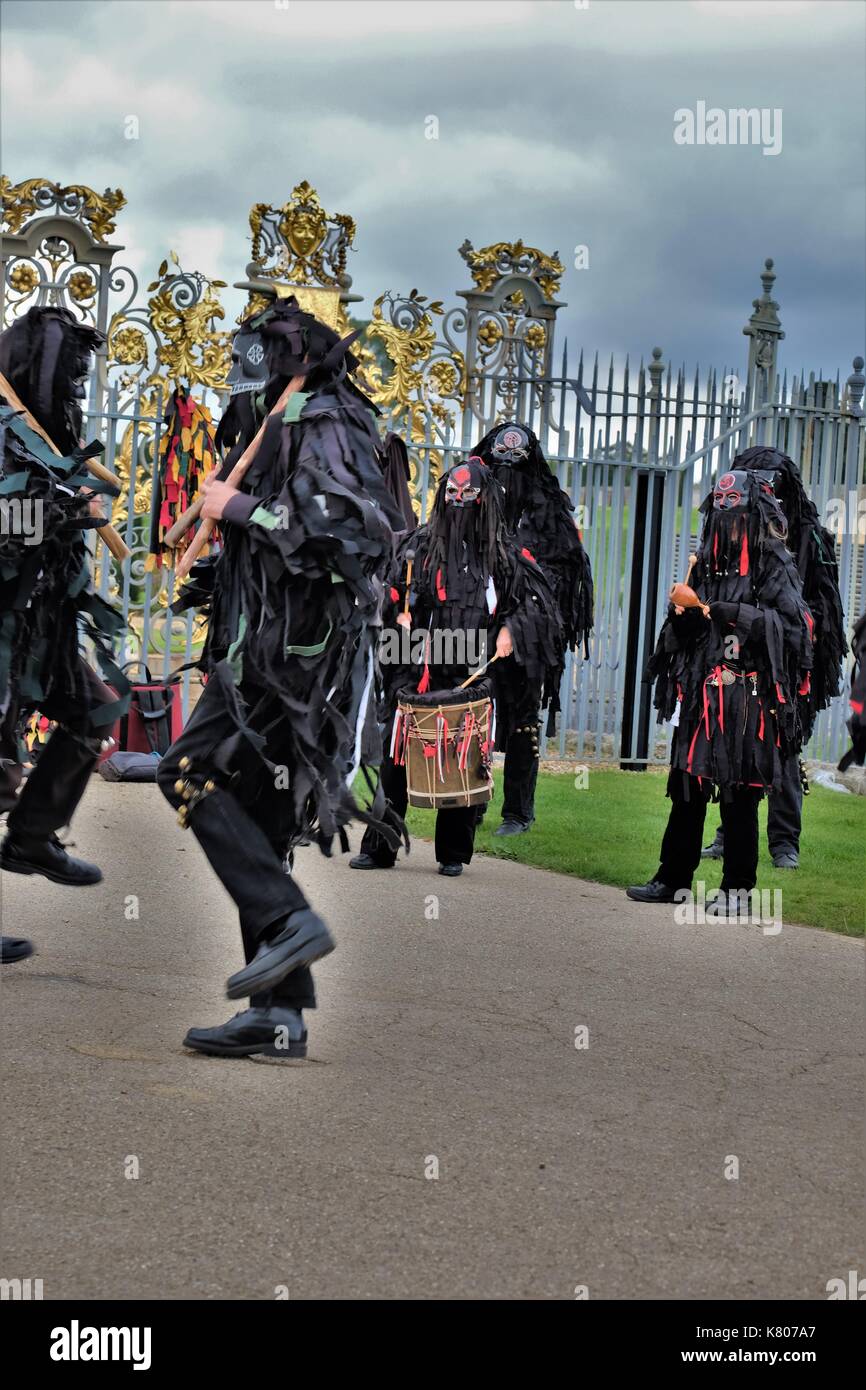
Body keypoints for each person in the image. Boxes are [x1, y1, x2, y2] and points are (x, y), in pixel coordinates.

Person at [157, 297, 403, 1059]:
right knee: (257, 812)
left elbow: (342, 532)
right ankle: (280, 1015)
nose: (238, 377)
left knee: (186, 770)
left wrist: (239, 507)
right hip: (263, 650)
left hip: (290, 658)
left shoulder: (325, 419)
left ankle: (291, 920)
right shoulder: (282, 421)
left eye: (250, 361)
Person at [350, 455, 562, 876]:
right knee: (396, 758)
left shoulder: (503, 556)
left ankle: (452, 853)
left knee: (463, 761)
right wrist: (396, 609)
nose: (459, 499)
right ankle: (379, 847)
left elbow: (538, 605)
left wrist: (511, 630)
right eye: (452, 491)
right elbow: (391, 590)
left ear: (484, 499)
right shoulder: (418, 546)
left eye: (468, 492)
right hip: (416, 666)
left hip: (472, 670)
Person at [627, 465, 814, 920]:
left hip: (747, 698)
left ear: (754, 510)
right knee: (686, 788)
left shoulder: (774, 563)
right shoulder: (706, 562)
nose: (726, 511)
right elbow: (688, 636)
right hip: (701, 693)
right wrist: (685, 615)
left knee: (739, 795)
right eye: (720, 502)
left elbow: (796, 630)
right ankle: (672, 879)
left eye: (735, 503)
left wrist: (728, 611)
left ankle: (738, 890)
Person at [0, 307, 129, 966]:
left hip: (41, 627)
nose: (77, 389)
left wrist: (71, 503)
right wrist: (52, 509)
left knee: (93, 710)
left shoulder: (48, 434)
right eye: (69, 377)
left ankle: (32, 836)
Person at [701, 446, 846, 868]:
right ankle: (728, 837)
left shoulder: (810, 537)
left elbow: (824, 604)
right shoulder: (733, 532)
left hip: (791, 660)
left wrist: (794, 641)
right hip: (739, 656)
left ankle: (785, 842)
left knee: (785, 745)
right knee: (735, 743)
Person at [470, 421, 592, 834]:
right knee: (473, 713)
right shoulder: (474, 502)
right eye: (499, 462)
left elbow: (561, 574)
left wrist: (522, 617)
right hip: (475, 627)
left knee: (523, 719)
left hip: (529, 634)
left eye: (516, 463)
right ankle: (470, 802)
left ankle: (518, 812)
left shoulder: (549, 510)